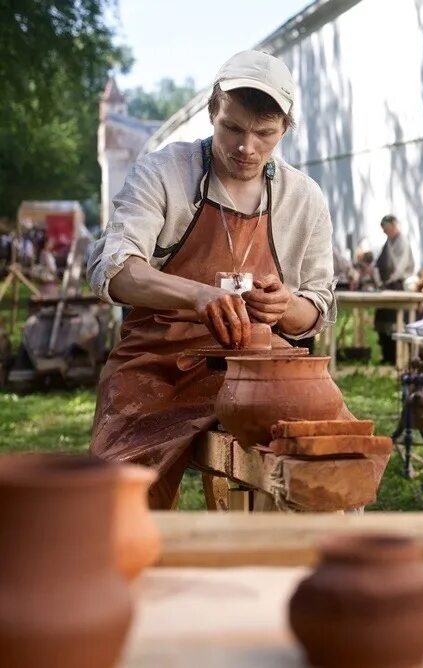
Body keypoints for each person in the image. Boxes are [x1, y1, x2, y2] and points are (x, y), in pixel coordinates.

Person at [86, 50, 337, 508]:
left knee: (333, 454)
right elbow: (114, 269)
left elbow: (315, 308)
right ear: (211, 113)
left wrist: (285, 306)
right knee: (117, 500)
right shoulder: (164, 172)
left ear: (285, 129)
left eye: (265, 134)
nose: (247, 148)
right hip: (159, 364)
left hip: (256, 367)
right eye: (233, 128)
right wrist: (196, 295)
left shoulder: (304, 199)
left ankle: (305, 566)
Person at [374, 214, 415, 364]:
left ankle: (395, 358)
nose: (386, 232)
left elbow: (401, 266)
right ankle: (386, 355)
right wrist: (378, 279)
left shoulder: (402, 242)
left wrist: (390, 280)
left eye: (387, 229)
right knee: (382, 321)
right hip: (386, 287)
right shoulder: (388, 242)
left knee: (395, 322)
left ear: (393, 226)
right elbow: (378, 264)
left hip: (397, 286)